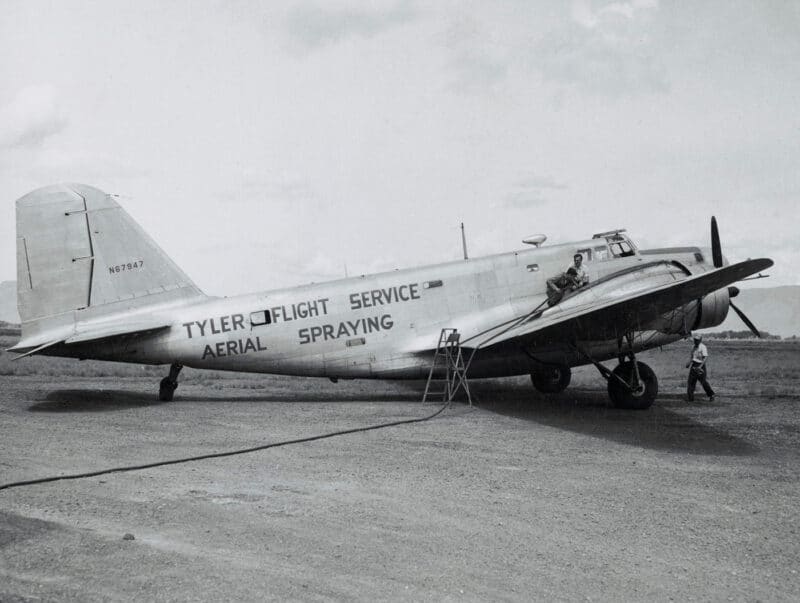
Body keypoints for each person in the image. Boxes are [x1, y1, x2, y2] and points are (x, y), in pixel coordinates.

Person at [686, 333, 715, 401]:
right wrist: (688, 363)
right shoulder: (693, 347)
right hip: (694, 366)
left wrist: (700, 367)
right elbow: (692, 357)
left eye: (697, 340)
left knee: (703, 382)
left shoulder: (703, 347)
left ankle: (711, 395)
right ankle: (690, 398)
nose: (696, 341)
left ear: (700, 340)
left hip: (700, 366)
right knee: (690, 382)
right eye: (695, 340)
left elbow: (705, 358)